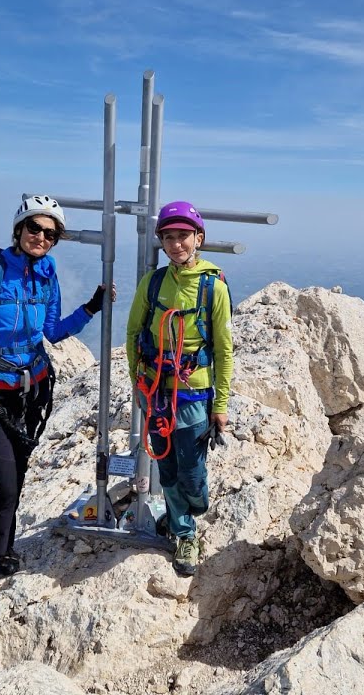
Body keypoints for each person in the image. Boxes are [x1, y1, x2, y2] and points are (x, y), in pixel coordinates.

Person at [0, 195, 115, 605]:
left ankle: (4, 552)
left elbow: (53, 332)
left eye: (50, 233)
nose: (40, 237)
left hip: (30, 393)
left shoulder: (46, 271)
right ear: (19, 228)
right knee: (3, 482)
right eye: (34, 228)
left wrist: (91, 308)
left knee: (16, 479)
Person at [126, 200, 234, 577]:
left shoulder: (213, 286)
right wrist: (136, 381)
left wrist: (220, 404)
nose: (176, 244)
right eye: (168, 238)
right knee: (167, 465)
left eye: (183, 236)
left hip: (193, 392)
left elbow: (223, 348)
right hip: (156, 389)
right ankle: (183, 530)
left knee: (191, 471)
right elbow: (134, 331)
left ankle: (191, 508)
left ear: (198, 238)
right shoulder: (153, 282)